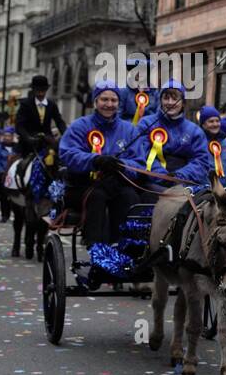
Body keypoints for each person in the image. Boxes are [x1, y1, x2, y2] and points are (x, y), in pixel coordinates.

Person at [58, 81, 140, 249]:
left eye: (113, 100)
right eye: (104, 99)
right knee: (97, 196)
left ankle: (126, 245)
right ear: (95, 101)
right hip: (84, 184)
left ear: (119, 103)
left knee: (131, 197)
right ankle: (95, 246)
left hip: (117, 183)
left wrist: (122, 165)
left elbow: (140, 162)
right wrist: (94, 160)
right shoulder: (79, 126)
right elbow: (67, 153)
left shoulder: (129, 129)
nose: (109, 104)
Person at [14, 75, 67, 152]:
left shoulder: (51, 105)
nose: (41, 94)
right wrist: (28, 137)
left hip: (47, 142)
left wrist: (66, 134)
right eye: (38, 90)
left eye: (43, 90)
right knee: (21, 162)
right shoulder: (25, 104)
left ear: (46, 90)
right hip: (29, 143)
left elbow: (59, 122)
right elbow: (19, 125)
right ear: (34, 90)